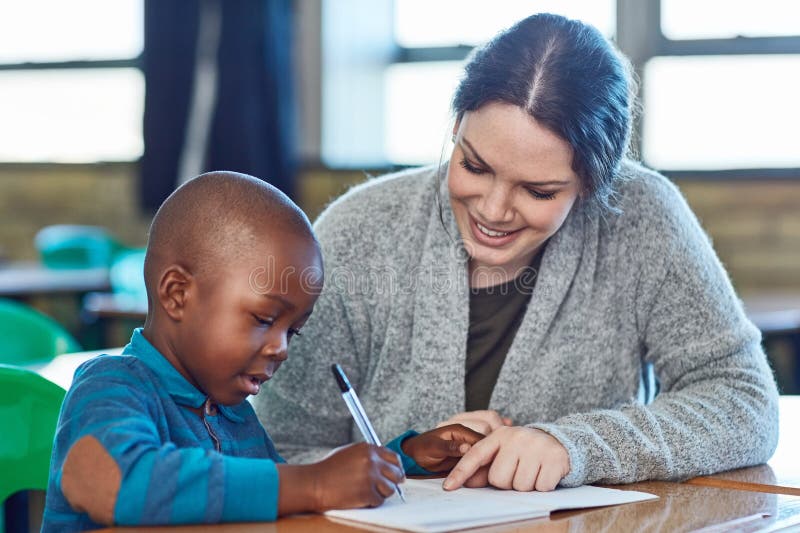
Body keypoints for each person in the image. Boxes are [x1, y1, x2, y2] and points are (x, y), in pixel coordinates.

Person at [255, 13, 779, 493]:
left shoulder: (641, 216)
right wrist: (403, 459)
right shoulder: (359, 232)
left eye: (539, 191)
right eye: (475, 166)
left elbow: (744, 402)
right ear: (455, 127)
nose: (494, 210)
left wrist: (576, 446)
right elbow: (271, 451)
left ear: (592, 186)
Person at [42, 171, 483, 531]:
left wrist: (399, 461)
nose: (281, 348)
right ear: (177, 294)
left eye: (295, 331)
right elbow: (114, 485)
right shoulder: (111, 386)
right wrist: (313, 484)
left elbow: (271, 488)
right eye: (263, 319)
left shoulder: (233, 415)